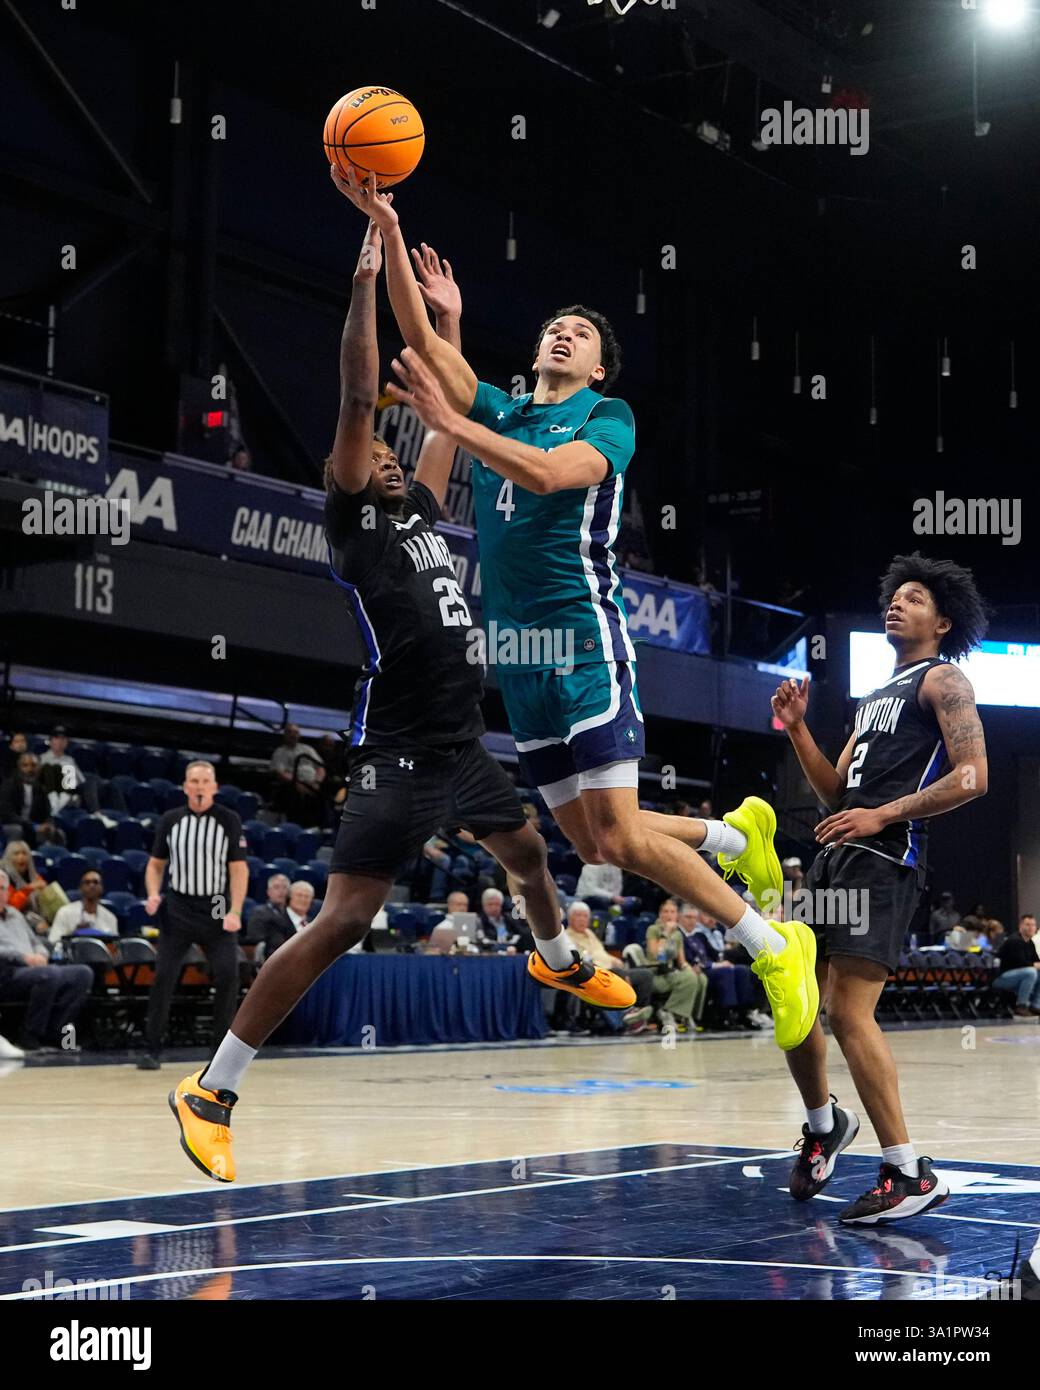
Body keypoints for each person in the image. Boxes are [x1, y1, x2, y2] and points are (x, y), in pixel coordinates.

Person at [167, 213, 635, 1183]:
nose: (388, 453)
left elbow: (441, 423)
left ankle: (554, 952)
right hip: (401, 747)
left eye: (393, 450)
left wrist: (449, 326)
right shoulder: (355, 523)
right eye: (372, 452)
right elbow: (358, 391)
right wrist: (363, 283)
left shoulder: (417, 506)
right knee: (342, 921)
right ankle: (211, 1088)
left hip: (462, 741)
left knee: (525, 851)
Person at [333, 168, 813, 1058]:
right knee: (596, 838)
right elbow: (422, 345)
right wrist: (387, 226)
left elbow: (548, 477)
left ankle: (773, 944)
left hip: (585, 641)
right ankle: (729, 831)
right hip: (517, 659)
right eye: (556, 325)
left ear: (596, 365)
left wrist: (453, 418)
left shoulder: (608, 416)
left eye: (581, 332)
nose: (563, 332)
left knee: (621, 832)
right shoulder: (508, 404)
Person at [772, 553, 989, 1224]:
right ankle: (824, 1124)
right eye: (894, 596)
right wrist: (799, 728)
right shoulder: (874, 696)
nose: (897, 603)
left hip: (884, 857)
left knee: (848, 1014)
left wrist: (885, 813)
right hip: (836, 857)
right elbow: (835, 790)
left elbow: (973, 776)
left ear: (941, 620)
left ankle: (908, 1172)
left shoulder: (944, 680)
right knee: (795, 998)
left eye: (915, 598)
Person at [137, 760, 248, 1070]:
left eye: (205, 781)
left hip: (215, 904)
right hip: (179, 906)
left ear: (214, 787)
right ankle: (152, 1048)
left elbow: (238, 869)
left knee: (228, 974)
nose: (199, 786)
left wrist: (235, 910)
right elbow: (155, 864)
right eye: (194, 781)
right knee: (163, 976)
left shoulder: (229, 819)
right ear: (185, 786)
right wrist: (153, 893)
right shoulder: (171, 820)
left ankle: (219, 1056)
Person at [0, 869, 93, 1053]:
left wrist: (41, 954)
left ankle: (56, 1032)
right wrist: (24, 957)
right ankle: (29, 1036)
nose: (0, 892)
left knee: (83, 973)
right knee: (48, 974)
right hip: (8, 973)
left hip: (35, 968)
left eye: (2, 888)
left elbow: (36, 941)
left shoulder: (15, 914)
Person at [563, 901, 653, 1034]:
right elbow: (579, 961)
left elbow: (603, 953)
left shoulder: (590, 933)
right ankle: (629, 1017)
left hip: (612, 970)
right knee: (617, 974)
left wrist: (615, 960)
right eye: (578, 916)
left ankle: (638, 1013)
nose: (582, 919)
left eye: (585, 916)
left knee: (645, 975)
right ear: (570, 919)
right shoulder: (566, 936)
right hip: (592, 974)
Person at [49, 870, 118, 944]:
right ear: (80, 888)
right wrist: (74, 934)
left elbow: (115, 947)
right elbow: (53, 941)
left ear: (102, 888)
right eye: (87, 882)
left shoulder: (111, 918)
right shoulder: (64, 912)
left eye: (95, 882)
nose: (91, 885)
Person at [992, 914, 1040, 1019]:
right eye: (1028, 924)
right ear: (1020, 926)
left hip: (1018, 976)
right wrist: (1034, 965)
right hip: (1002, 978)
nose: (1031, 927)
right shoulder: (1014, 941)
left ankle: (1035, 1005)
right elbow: (1018, 963)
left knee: (1035, 972)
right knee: (1030, 972)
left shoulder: (1029, 942)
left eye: (1033, 925)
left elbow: (1036, 960)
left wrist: (1036, 964)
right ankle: (1021, 1006)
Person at [261, 880, 315, 963]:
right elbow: (276, 952)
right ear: (289, 897)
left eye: (307, 896)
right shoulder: (276, 922)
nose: (303, 899)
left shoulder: (314, 924)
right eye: (299, 895)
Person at [0, 753, 50, 839]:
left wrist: (49, 824)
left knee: (55, 832)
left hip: (33, 826)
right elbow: (7, 814)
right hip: (11, 825)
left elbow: (47, 812)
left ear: (39, 768)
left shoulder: (41, 788)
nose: (29, 769)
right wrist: (32, 825)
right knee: (17, 830)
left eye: (33, 765)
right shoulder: (9, 785)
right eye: (25, 765)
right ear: (19, 767)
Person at [0, 841, 47, 925]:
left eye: (24, 853)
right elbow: (10, 906)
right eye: (16, 854)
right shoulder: (3, 878)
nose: (21, 857)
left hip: (36, 919)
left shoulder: (33, 876)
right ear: (9, 857)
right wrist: (28, 889)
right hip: (11, 921)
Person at [475, 887, 519, 952]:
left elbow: (519, 936)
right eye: (490, 904)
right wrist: (503, 948)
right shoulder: (478, 921)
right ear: (483, 905)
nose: (494, 907)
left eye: (497, 904)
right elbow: (483, 942)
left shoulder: (508, 919)